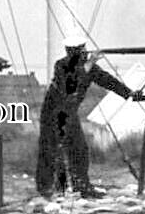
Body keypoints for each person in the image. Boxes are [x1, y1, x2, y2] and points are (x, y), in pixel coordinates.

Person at [36, 38, 138, 199]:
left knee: (79, 149)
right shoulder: (61, 65)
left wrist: (129, 93)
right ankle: (47, 188)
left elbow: (108, 81)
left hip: (69, 112)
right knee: (51, 149)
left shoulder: (90, 68)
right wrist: (89, 63)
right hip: (53, 113)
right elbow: (71, 83)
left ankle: (81, 186)